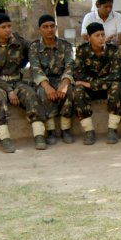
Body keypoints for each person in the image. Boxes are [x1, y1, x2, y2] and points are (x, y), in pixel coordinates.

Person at [0, 13, 47, 151]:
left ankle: (39, 135)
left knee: (31, 94)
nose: (7, 30)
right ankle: (4, 138)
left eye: (9, 26)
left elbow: (33, 49)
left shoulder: (18, 41)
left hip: (16, 81)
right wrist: (9, 90)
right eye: (3, 27)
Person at [73, 22, 121, 145]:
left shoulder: (113, 50)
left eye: (102, 35)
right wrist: (91, 85)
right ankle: (89, 131)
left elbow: (116, 75)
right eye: (97, 35)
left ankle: (112, 130)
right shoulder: (82, 50)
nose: (101, 38)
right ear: (89, 38)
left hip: (106, 88)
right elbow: (78, 75)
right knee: (77, 90)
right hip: (90, 89)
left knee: (117, 86)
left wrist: (91, 84)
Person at [29, 14, 75, 146]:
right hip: (44, 81)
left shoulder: (66, 46)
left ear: (56, 27)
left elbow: (70, 65)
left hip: (61, 79)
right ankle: (51, 131)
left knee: (70, 90)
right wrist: (47, 86)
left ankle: (66, 129)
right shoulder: (34, 47)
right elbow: (35, 68)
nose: (49, 29)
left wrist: (64, 84)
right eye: (45, 27)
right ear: (40, 29)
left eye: (52, 26)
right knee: (42, 93)